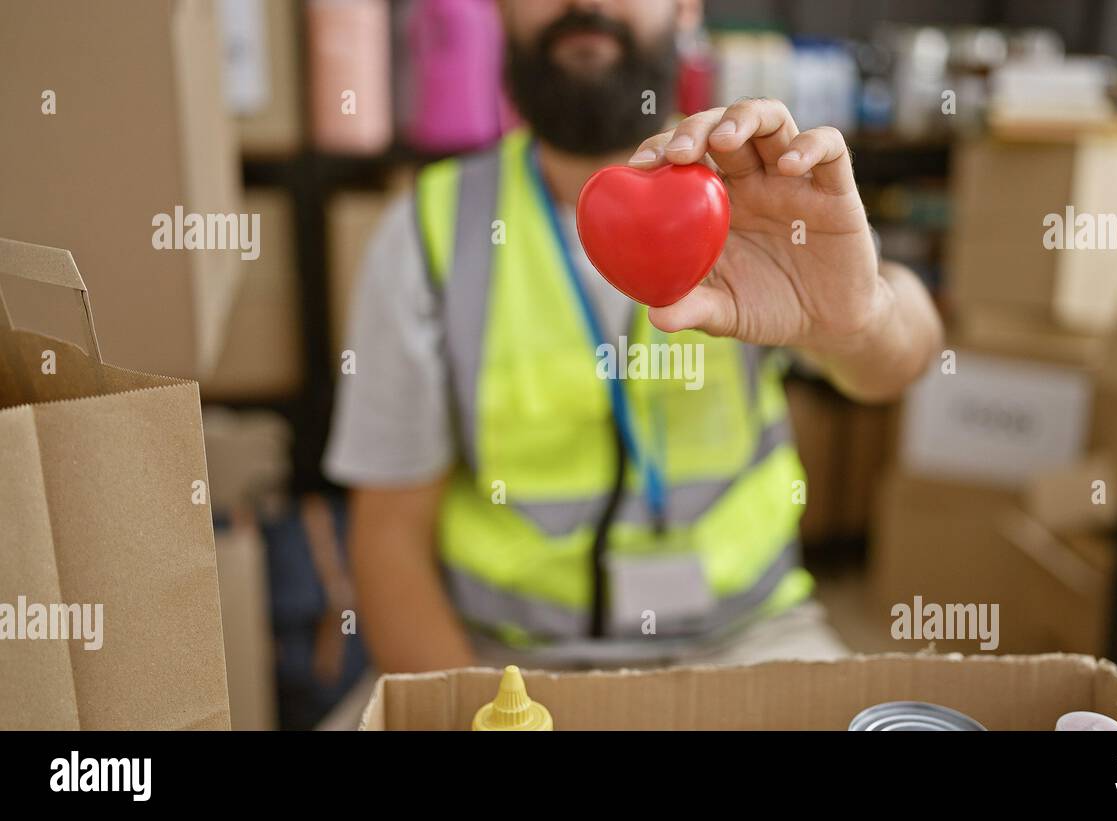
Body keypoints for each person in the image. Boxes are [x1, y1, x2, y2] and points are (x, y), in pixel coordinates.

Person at [324, 0, 943, 673]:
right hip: (508, 661)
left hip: (751, 642)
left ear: (684, 8)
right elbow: (389, 534)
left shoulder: (763, 188)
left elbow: (903, 357)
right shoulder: (426, 231)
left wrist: (856, 321)